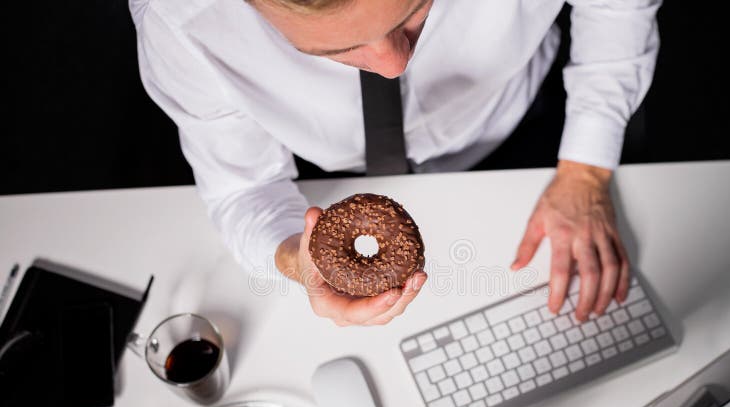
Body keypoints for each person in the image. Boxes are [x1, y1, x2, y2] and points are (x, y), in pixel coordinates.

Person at [130, 0, 660, 326]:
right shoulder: (181, 19)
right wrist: (298, 258)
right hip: (332, 179)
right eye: (336, 50)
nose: (393, 66)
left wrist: (585, 169)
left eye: (414, 12)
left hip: (523, 128)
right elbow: (243, 189)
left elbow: (616, 6)